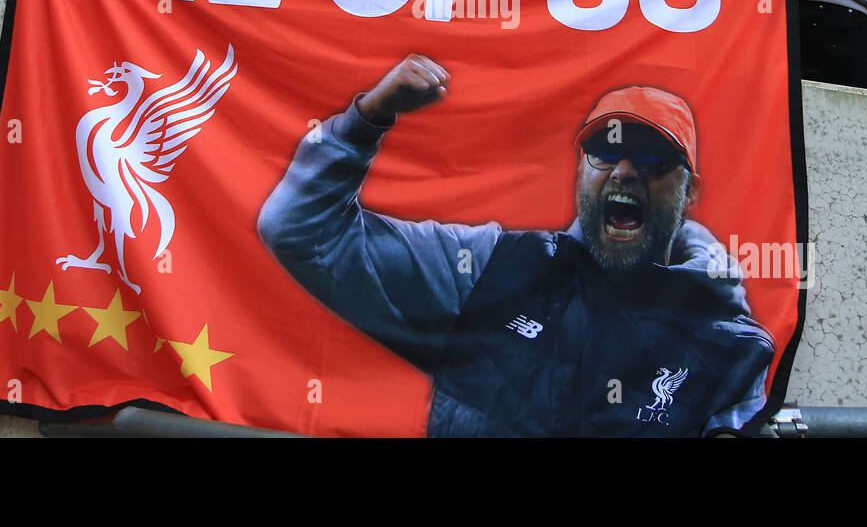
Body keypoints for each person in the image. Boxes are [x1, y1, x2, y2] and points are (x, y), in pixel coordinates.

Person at [258, 54, 775, 437]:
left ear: (691, 194)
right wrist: (368, 117)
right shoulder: (489, 266)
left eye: (652, 160)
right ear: (580, 173)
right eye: (604, 153)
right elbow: (301, 230)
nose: (623, 171)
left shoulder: (728, 344)